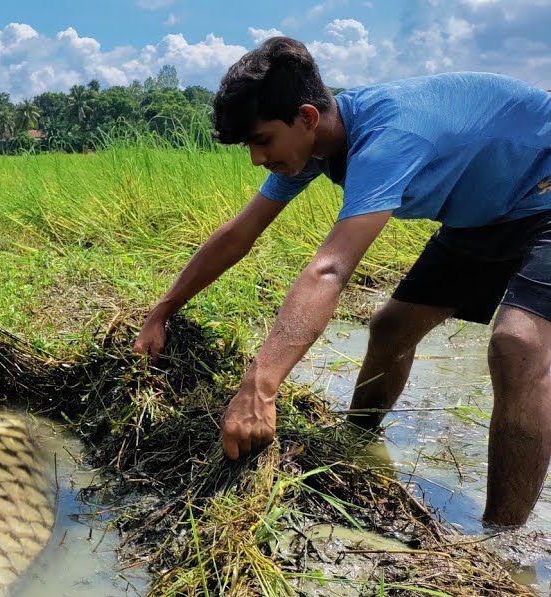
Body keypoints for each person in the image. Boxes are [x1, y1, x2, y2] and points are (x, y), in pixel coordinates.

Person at [133, 37, 551, 527]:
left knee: (518, 343)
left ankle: (501, 539)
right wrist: (163, 310)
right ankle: (355, 447)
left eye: (262, 140)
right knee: (391, 330)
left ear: (307, 117)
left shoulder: (390, 137)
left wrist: (259, 386)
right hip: (489, 212)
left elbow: (330, 269)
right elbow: (237, 235)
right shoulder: (318, 147)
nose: (255, 159)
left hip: (543, 187)